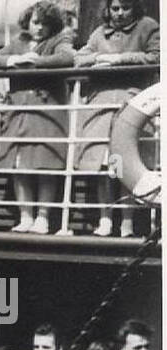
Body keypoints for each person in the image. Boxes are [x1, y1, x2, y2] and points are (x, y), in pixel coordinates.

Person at [0, 2, 75, 235]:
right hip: (19, 112)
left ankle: (42, 217)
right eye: (36, 22)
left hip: (47, 112)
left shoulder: (59, 40)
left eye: (45, 23)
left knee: (46, 164)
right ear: (28, 22)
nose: (40, 28)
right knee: (20, 165)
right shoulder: (18, 42)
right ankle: (25, 216)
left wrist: (34, 61)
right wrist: (13, 60)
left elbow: (66, 58)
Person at [74, 0, 161, 237]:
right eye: (115, 8)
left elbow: (155, 56)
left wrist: (118, 59)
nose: (119, 13)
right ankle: (105, 218)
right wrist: (99, 57)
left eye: (125, 8)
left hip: (133, 101)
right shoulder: (99, 32)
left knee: (127, 164)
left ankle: (127, 221)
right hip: (100, 104)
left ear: (135, 9)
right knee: (105, 165)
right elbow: (80, 58)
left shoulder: (148, 27)